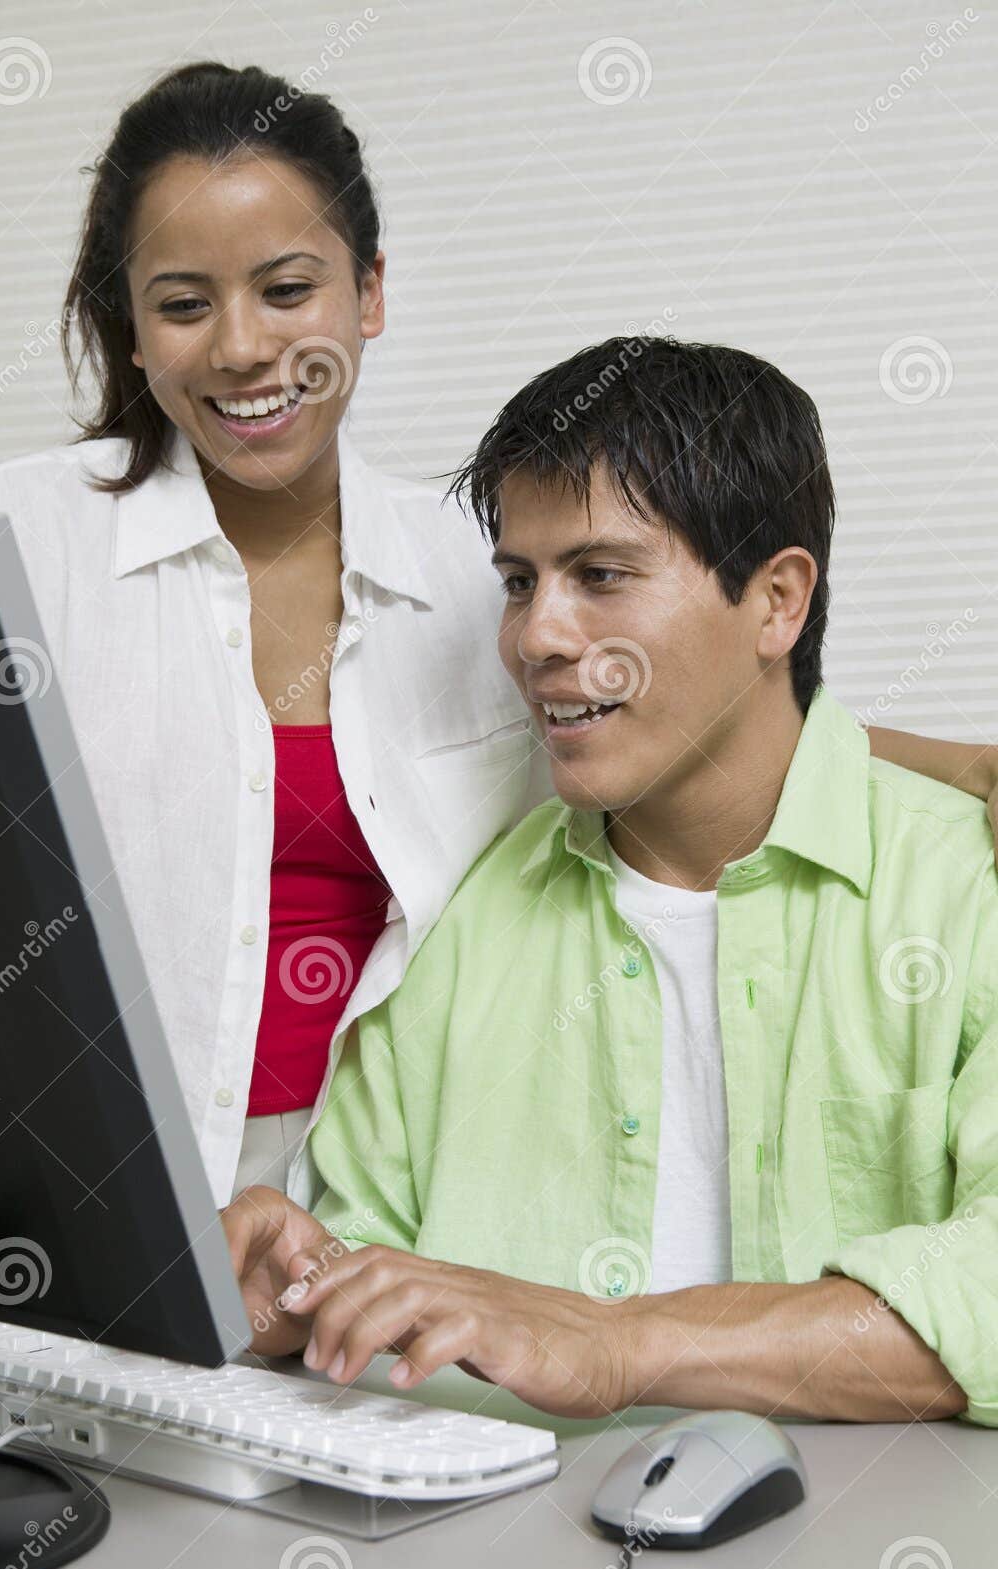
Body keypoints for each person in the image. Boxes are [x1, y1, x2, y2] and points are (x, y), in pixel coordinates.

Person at [222, 336, 998, 1431]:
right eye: (517, 582)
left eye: (599, 575)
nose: (535, 636)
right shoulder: (464, 914)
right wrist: (308, 1287)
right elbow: (383, 1270)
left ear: (775, 601)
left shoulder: (966, 887)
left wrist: (617, 1340)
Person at [0, 60, 549, 1209]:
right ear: (130, 328)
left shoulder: (478, 568)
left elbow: (678, 721)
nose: (240, 348)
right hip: (85, 1201)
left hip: (383, 1208)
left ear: (367, 293)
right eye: (181, 304)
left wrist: (965, 768)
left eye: (285, 289)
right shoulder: (2, 542)